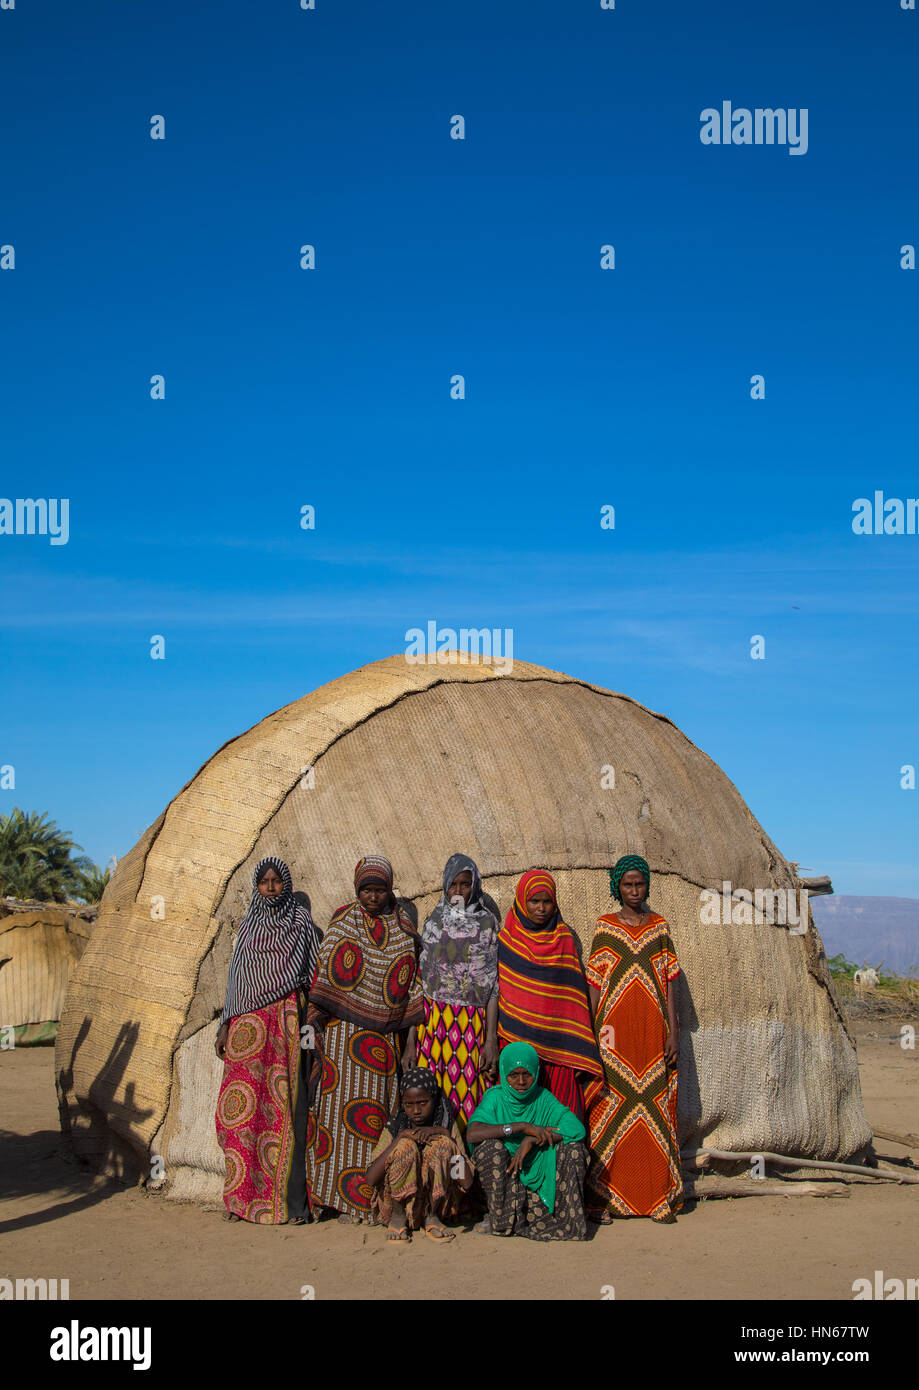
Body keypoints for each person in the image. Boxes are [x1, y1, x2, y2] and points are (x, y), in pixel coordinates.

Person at [305, 855, 423, 1222]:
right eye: (366, 890)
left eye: (380, 889)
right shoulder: (343, 923)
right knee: (336, 1123)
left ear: (390, 889)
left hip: (381, 1044)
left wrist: (410, 1043)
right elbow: (324, 978)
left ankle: (367, 1201)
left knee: (374, 1122)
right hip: (342, 1043)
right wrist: (316, 1029)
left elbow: (411, 987)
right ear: (357, 890)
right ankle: (331, 1198)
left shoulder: (403, 931)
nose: (373, 897)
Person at [214, 856, 320, 1224]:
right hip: (248, 1028)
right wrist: (225, 1025)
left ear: (286, 884)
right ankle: (239, 1199)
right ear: (256, 886)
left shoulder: (301, 923)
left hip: (287, 1025)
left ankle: (291, 1204)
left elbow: (311, 974)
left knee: (286, 1111)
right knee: (239, 1115)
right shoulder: (248, 927)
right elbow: (235, 979)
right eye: (265, 881)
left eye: (277, 881)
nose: (271, 887)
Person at [585, 854, 683, 1223]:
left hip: (652, 1033)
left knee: (655, 1110)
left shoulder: (659, 927)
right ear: (617, 888)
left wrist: (673, 1033)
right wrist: (590, 1034)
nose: (634, 891)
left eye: (639, 884)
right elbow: (594, 984)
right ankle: (604, 1200)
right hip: (614, 1036)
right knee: (611, 1111)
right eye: (627, 885)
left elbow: (670, 982)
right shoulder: (605, 928)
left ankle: (657, 1196)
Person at [497, 869, 604, 1122]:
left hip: (560, 1050)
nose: (541, 908)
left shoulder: (563, 939)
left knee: (563, 1121)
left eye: (547, 902)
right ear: (523, 901)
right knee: (519, 1117)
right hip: (517, 1046)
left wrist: (580, 1050)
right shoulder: (506, 940)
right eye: (535, 901)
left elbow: (573, 1000)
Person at [411, 852, 500, 1133]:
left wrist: (491, 1040)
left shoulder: (487, 924)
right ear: (445, 885)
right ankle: (434, 1170)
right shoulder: (433, 922)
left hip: (471, 1027)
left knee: (469, 1100)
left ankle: (466, 1172)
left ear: (474, 885)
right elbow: (420, 984)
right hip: (434, 1024)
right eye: (454, 885)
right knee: (433, 1100)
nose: (459, 891)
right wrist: (412, 1040)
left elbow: (493, 987)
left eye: (465, 884)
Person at [466, 1041, 589, 1241]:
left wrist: (532, 1140)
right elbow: (473, 1133)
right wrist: (521, 1127)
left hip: (536, 1187)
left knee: (574, 1149)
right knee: (489, 1148)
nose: (521, 1082)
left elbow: (576, 1128)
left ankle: (568, 1223)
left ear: (536, 1073)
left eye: (527, 1074)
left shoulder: (543, 1098)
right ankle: (502, 1221)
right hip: (505, 1184)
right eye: (514, 1075)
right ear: (504, 1074)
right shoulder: (496, 1098)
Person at [364, 1067, 474, 1242]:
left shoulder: (445, 1124)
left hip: (437, 1208)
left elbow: (466, 1182)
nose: (416, 1111)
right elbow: (370, 1179)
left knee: (443, 1145)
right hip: (395, 1208)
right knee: (405, 1146)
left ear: (434, 1099)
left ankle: (431, 1215)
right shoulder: (396, 1126)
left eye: (423, 1103)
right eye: (409, 1104)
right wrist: (399, 1139)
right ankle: (399, 1216)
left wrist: (447, 1139)